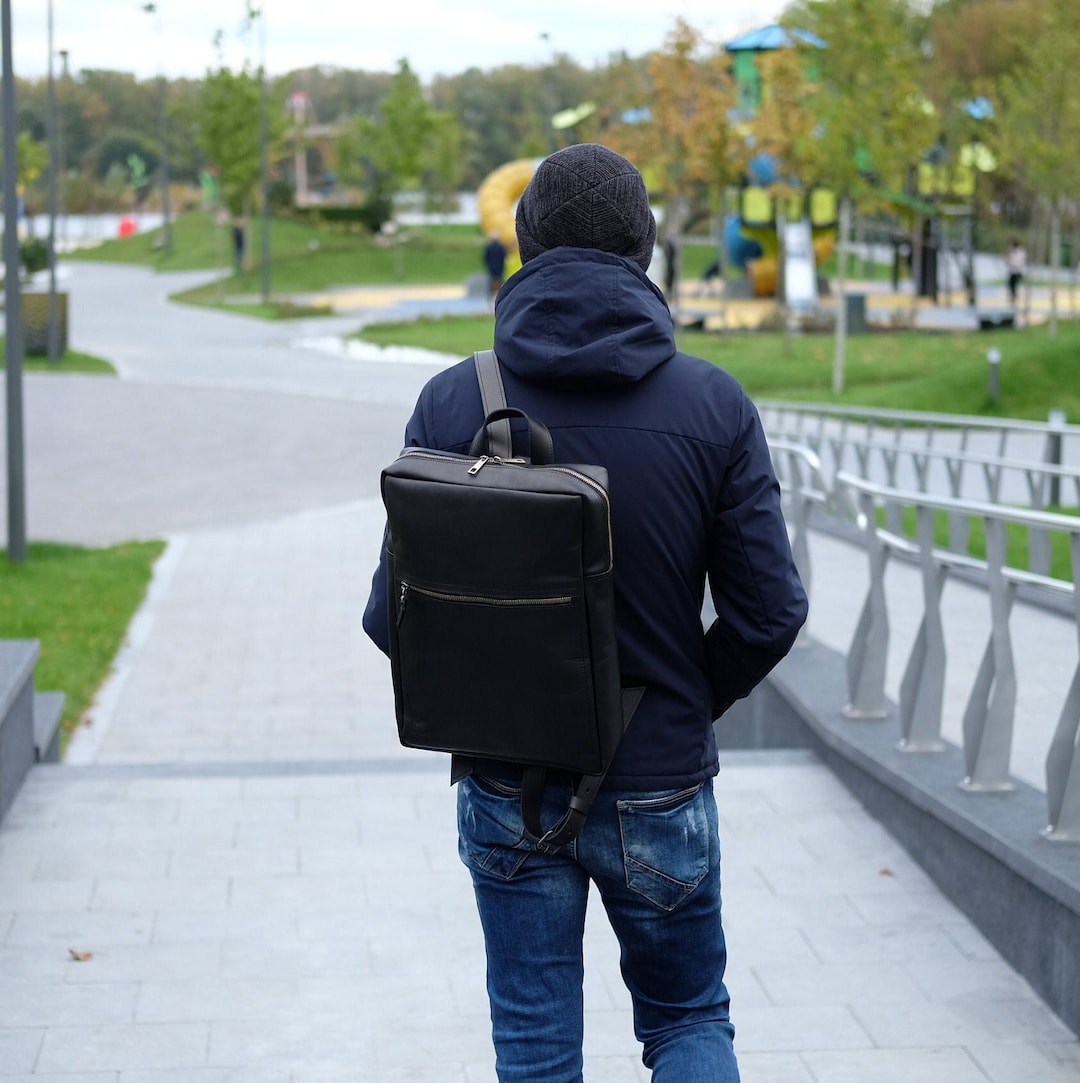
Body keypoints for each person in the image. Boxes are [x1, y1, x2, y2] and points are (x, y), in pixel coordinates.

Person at [363, 143, 807, 1082]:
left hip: (506, 782)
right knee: (688, 1020)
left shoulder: (452, 401)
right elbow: (770, 614)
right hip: (659, 778)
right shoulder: (714, 404)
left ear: (523, 245)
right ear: (645, 248)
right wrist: (683, 693)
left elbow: (387, 617)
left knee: (533, 1047)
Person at [483, 231, 508, 302]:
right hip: (500, 268)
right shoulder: (501, 247)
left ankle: (490, 299)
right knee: (501, 283)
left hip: (491, 268)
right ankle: (502, 298)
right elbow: (504, 256)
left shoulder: (489, 247)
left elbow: (486, 258)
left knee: (491, 283)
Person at [1006, 238, 1026, 306]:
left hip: (1017, 271)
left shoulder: (1020, 252)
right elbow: (1009, 261)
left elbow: (1018, 262)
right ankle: (1013, 297)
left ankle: (1014, 297)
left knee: (1014, 285)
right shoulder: (1011, 252)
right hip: (1012, 271)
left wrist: (1010, 261)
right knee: (1010, 285)